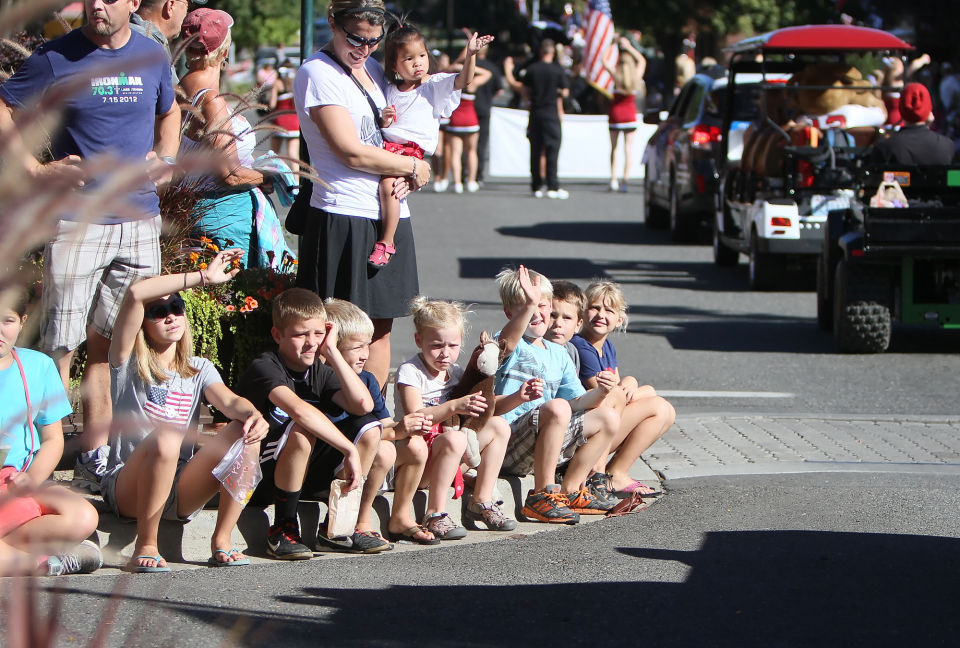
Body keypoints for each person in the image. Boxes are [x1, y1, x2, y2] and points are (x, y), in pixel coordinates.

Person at [0, 0, 180, 493]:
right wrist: (35, 170)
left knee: (115, 342)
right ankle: (45, 459)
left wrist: (166, 156)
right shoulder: (57, 58)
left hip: (141, 220)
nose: (98, 5)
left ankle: (98, 456)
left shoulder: (151, 55)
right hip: (77, 222)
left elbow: (171, 109)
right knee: (61, 342)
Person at [101, 250, 269, 572]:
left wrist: (252, 415)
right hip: (129, 485)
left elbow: (230, 401)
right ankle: (146, 544)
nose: (171, 316)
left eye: (176, 308)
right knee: (165, 437)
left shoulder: (198, 368)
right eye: (158, 311)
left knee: (245, 432)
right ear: (142, 323)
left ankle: (222, 540)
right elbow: (136, 294)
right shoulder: (126, 363)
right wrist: (203, 277)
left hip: (179, 487)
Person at [294, 0, 431, 389]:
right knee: (334, 332)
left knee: (379, 331)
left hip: (390, 213)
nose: (365, 49)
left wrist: (420, 168)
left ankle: (372, 417)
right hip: (342, 212)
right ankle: (334, 417)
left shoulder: (371, 67)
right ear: (332, 23)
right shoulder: (318, 73)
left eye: (375, 40)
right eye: (356, 38)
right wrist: (410, 167)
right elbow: (349, 151)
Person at [232, 288, 379, 560]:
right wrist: (348, 450)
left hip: (302, 471)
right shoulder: (266, 366)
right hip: (257, 475)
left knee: (369, 427)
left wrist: (332, 352)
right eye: (301, 334)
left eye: (318, 333)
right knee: (302, 429)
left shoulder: (319, 371)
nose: (311, 343)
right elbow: (299, 411)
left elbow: (363, 405)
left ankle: (335, 529)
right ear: (278, 335)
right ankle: (283, 527)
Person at [493, 266, 618, 523]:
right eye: (525, 305)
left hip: (541, 442)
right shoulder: (507, 343)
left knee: (608, 417)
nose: (536, 312)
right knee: (557, 407)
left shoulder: (558, 352)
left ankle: (570, 490)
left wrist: (602, 392)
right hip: (505, 443)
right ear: (509, 313)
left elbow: (577, 402)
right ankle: (541, 494)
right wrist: (529, 306)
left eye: (541, 305)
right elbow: (508, 340)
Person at [178, 8, 294, 269]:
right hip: (225, 219)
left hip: (192, 213)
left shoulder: (178, 89)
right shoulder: (211, 101)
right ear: (223, 51)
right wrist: (268, 176)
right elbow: (228, 174)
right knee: (235, 301)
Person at [394, 296, 519, 538]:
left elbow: (487, 405)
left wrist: (518, 397)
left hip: (451, 454)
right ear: (419, 340)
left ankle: (482, 498)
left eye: (452, 346)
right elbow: (415, 417)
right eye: (436, 346)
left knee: (499, 426)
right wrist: (453, 407)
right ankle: (435, 512)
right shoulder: (410, 372)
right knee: (456, 440)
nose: (445, 354)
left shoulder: (456, 372)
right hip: (420, 461)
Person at [0, 288, 103, 577]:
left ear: (22, 322)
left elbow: (52, 439)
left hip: (19, 480)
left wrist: (31, 478)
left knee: (83, 516)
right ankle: (46, 561)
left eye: (6, 320)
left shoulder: (38, 367)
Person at [372, 22, 493, 267]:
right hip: (386, 147)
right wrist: (384, 120)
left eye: (422, 55)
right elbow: (386, 125)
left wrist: (470, 55)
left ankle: (386, 241)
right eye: (408, 58)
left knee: (389, 188)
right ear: (394, 65)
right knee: (382, 188)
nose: (418, 63)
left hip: (409, 152)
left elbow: (462, 80)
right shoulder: (391, 89)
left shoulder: (433, 85)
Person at [321, 298, 436, 547]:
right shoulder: (325, 380)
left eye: (367, 346)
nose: (365, 354)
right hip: (334, 464)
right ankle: (359, 522)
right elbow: (364, 435)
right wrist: (395, 433)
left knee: (416, 446)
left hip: (362, 459)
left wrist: (405, 427)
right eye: (356, 348)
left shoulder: (368, 380)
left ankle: (400, 517)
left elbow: (383, 424)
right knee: (383, 450)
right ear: (332, 348)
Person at [569, 281, 675, 498]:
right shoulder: (581, 346)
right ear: (582, 312)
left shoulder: (606, 346)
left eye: (609, 310)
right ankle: (612, 473)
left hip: (601, 424)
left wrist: (633, 383)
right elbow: (609, 395)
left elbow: (619, 392)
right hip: (584, 430)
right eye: (595, 307)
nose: (601, 315)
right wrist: (636, 388)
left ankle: (614, 472)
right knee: (658, 406)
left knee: (663, 408)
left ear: (619, 319)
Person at [504, 39, 570, 199]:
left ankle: (536, 185)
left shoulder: (532, 70)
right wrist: (557, 93)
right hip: (551, 113)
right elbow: (566, 92)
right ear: (552, 52)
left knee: (535, 150)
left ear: (541, 51)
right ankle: (552, 185)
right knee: (552, 150)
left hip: (536, 112)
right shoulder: (558, 70)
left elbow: (525, 90)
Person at [870, 83, 954, 166]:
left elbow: (875, 178)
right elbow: (955, 179)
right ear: (929, 111)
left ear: (901, 110)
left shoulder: (885, 148)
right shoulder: (947, 146)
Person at [603, 36, 645, 192]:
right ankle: (625, 180)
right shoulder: (636, 77)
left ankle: (613, 178)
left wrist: (611, 44)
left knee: (614, 148)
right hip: (630, 115)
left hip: (616, 114)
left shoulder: (616, 76)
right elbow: (642, 61)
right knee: (629, 149)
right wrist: (629, 48)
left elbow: (604, 61)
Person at [130, 0, 195, 83]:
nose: (187, 15)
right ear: (170, 6)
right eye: (188, 7)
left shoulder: (121, 36)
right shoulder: (151, 48)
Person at [473, 42, 503, 185]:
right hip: (484, 107)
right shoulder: (493, 68)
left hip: (468, 107)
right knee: (481, 143)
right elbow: (499, 89)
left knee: (464, 143)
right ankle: (478, 174)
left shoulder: (467, 65)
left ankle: (465, 173)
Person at [544, 279, 586, 376]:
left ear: (578, 325)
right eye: (552, 315)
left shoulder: (572, 351)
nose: (558, 323)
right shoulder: (529, 349)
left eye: (567, 318)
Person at [268, 60, 301, 175]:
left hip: (280, 121)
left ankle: (272, 179)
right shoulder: (296, 82)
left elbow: (272, 105)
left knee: (274, 154)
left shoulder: (277, 83)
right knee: (293, 155)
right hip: (294, 121)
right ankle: (296, 181)